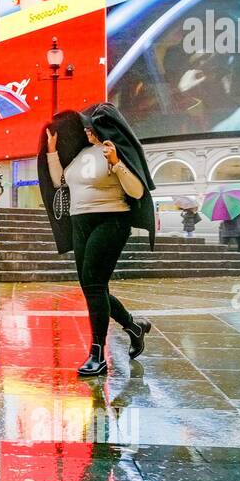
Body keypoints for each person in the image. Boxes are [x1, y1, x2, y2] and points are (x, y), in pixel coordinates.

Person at [40, 104, 155, 377]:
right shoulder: (80, 154)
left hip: (112, 220)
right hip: (80, 221)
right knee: (93, 286)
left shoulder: (115, 151)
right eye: (86, 127)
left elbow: (136, 191)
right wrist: (52, 151)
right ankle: (133, 326)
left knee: (93, 284)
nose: (88, 130)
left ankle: (97, 353)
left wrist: (116, 163)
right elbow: (60, 183)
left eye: (92, 126)